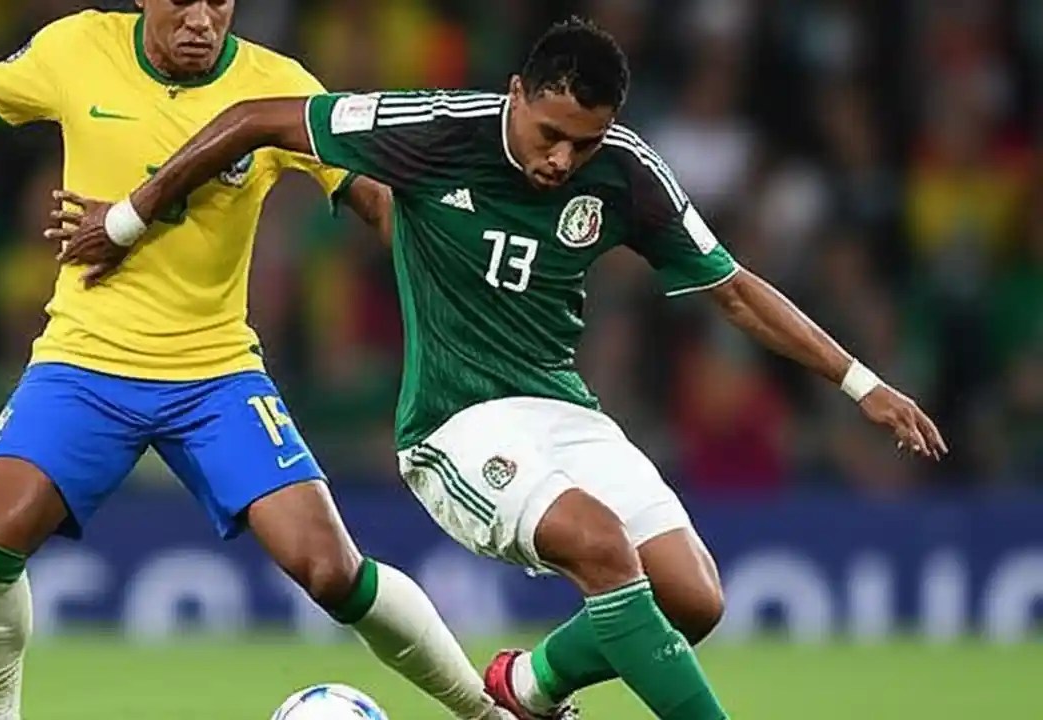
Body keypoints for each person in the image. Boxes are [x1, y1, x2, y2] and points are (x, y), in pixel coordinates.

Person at [52, 15, 949, 720]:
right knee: (603, 547)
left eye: (584, 144)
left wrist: (861, 384)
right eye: (552, 132)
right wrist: (129, 220)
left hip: (565, 413)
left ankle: (525, 686)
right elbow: (249, 119)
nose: (564, 160)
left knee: (693, 597)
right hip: (454, 423)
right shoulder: (435, 128)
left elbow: (735, 290)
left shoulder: (626, 174)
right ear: (516, 93)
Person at [0, 1, 507, 719]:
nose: (200, 19)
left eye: (217, 2)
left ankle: (485, 711)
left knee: (331, 569)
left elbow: (368, 194)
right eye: (182, 1)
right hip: (86, 358)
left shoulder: (275, 82)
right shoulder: (77, 46)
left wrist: (445, 272)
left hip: (215, 372)